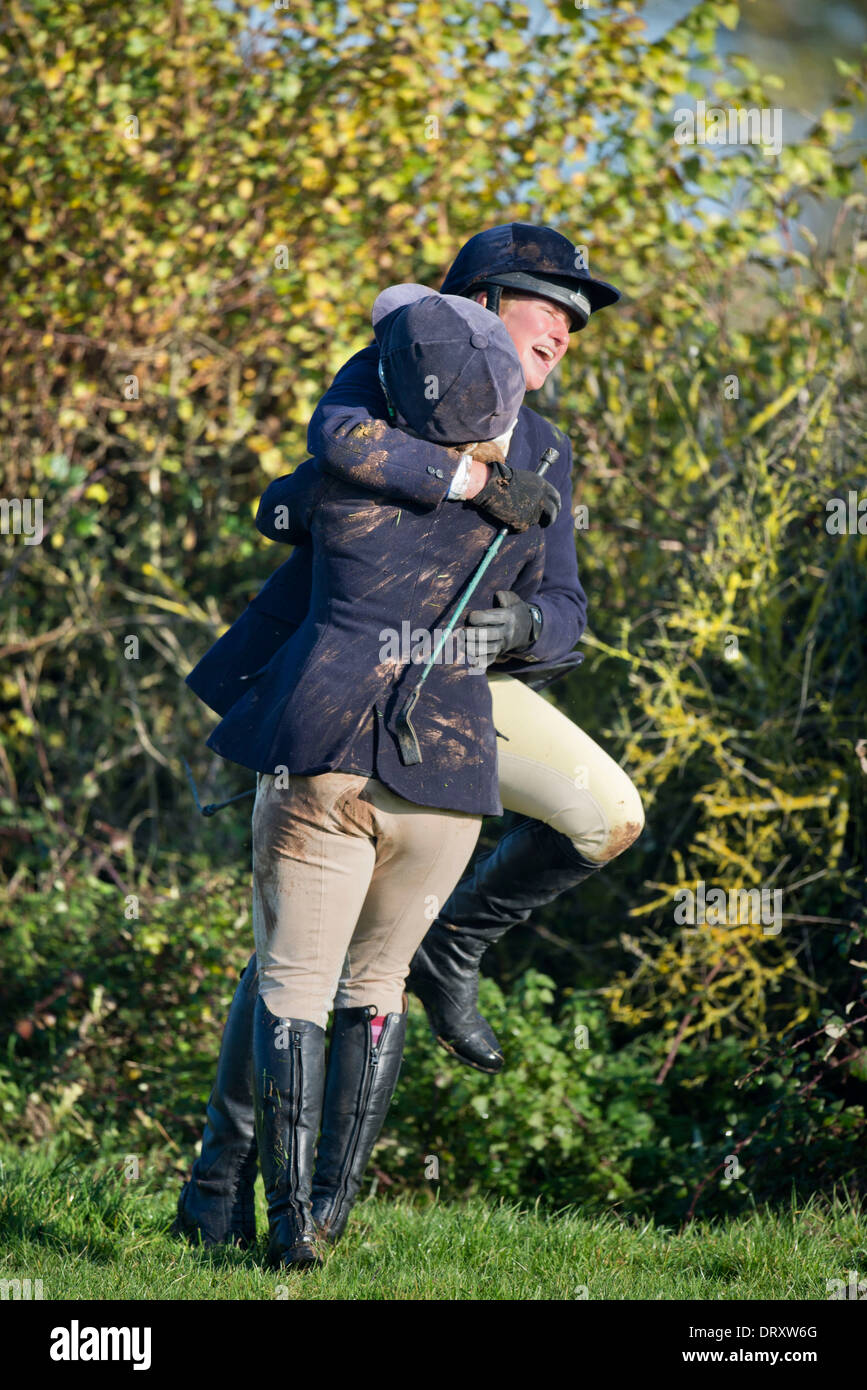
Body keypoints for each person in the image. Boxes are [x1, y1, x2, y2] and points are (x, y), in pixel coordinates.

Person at [174, 222, 645, 1253]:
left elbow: (567, 610)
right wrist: (468, 484)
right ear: (475, 302)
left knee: (608, 815)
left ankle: (454, 939)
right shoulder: (382, 381)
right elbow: (317, 468)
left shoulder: (552, 446)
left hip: (467, 678)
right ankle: (221, 1174)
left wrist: (522, 626)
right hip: (350, 669)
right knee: (293, 956)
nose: (565, 332)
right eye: (547, 305)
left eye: (576, 319)